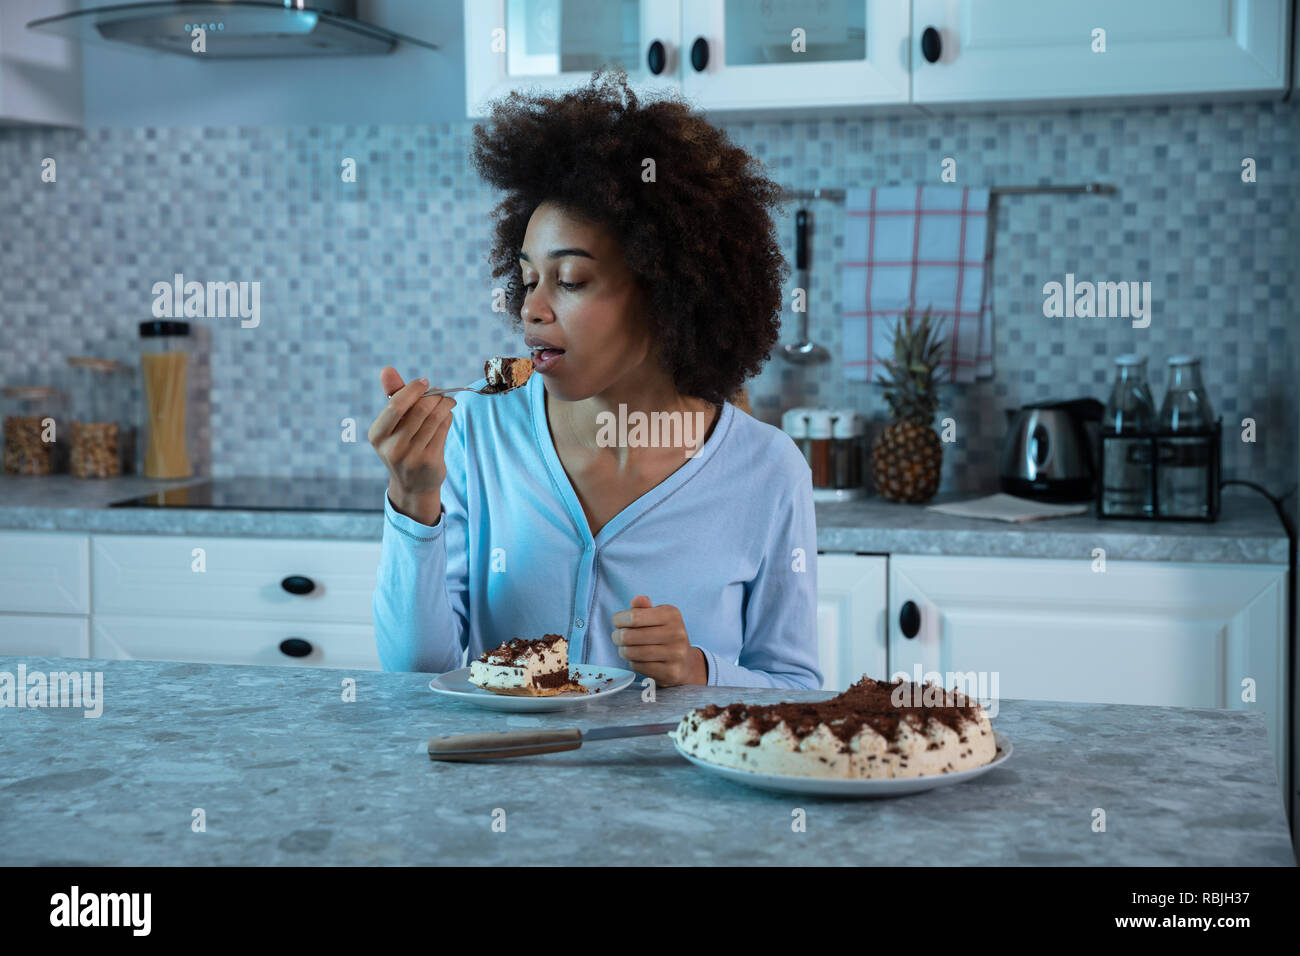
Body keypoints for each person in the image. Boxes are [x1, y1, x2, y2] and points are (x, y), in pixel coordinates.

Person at [369, 68, 820, 688]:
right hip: (501, 756)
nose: (531, 309)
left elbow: (797, 690)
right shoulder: (476, 432)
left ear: (666, 291)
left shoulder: (768, 470)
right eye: (528, 280)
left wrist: (699, 670)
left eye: (571, 281)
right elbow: (414, 674)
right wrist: (413, 500)